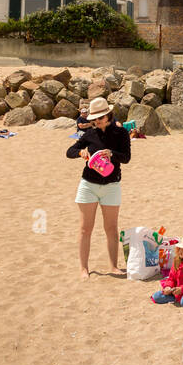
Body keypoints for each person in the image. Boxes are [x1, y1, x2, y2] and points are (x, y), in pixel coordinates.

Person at [66, 96, 132, 278]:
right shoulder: (89, 134)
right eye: (94, 118)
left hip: (112, 185)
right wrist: (81, 152)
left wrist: (112, 154)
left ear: (109, 115)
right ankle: (83, 269)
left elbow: (126, 158)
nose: (97, 121)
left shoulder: (121, 133)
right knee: (85, 228)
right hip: (88, 185)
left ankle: (113, 266)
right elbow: (69, 152)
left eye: (100, 117)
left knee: (111, 228)